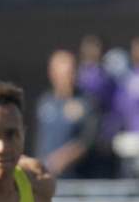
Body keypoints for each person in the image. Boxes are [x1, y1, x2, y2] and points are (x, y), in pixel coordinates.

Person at [34, 50, 99, 178]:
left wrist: (63, 159)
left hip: (76, 181)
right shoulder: (45, 102)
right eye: (63, 74)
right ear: (52, 73)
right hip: (45, 177)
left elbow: (89, 140)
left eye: (71, 72)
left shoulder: (87, 103)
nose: (68, 78)